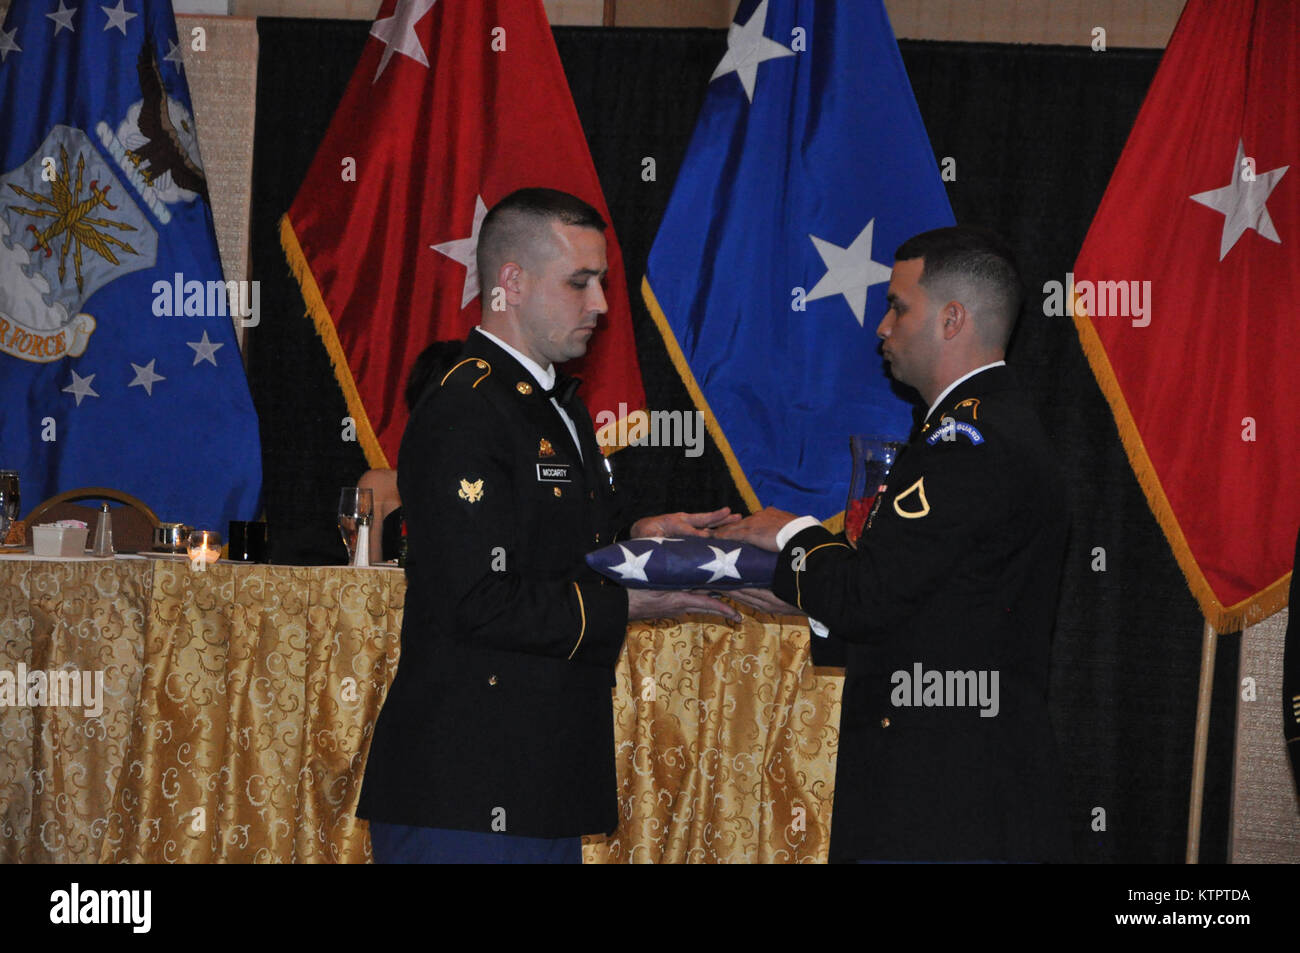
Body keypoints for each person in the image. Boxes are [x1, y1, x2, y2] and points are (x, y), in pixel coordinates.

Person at [356, 188, 739, 863]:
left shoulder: (545, 400)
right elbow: (478, 598)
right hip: (468, 783)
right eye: (580, 282)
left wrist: (640, 527)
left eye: (603, 283)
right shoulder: (467, 409)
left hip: (537, 771)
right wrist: (629, 603)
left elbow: (551, 540)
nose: (601, 304)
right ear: (510, 283)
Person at [721, 226, 1072, 862]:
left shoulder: (966, 444)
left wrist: (790, 532)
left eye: (898, 306)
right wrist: (805, 604)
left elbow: (869, 597)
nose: (882, 327)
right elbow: (932, 608)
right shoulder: (988, 428)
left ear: (953, 318)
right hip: (961, 779)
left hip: (940, 798)